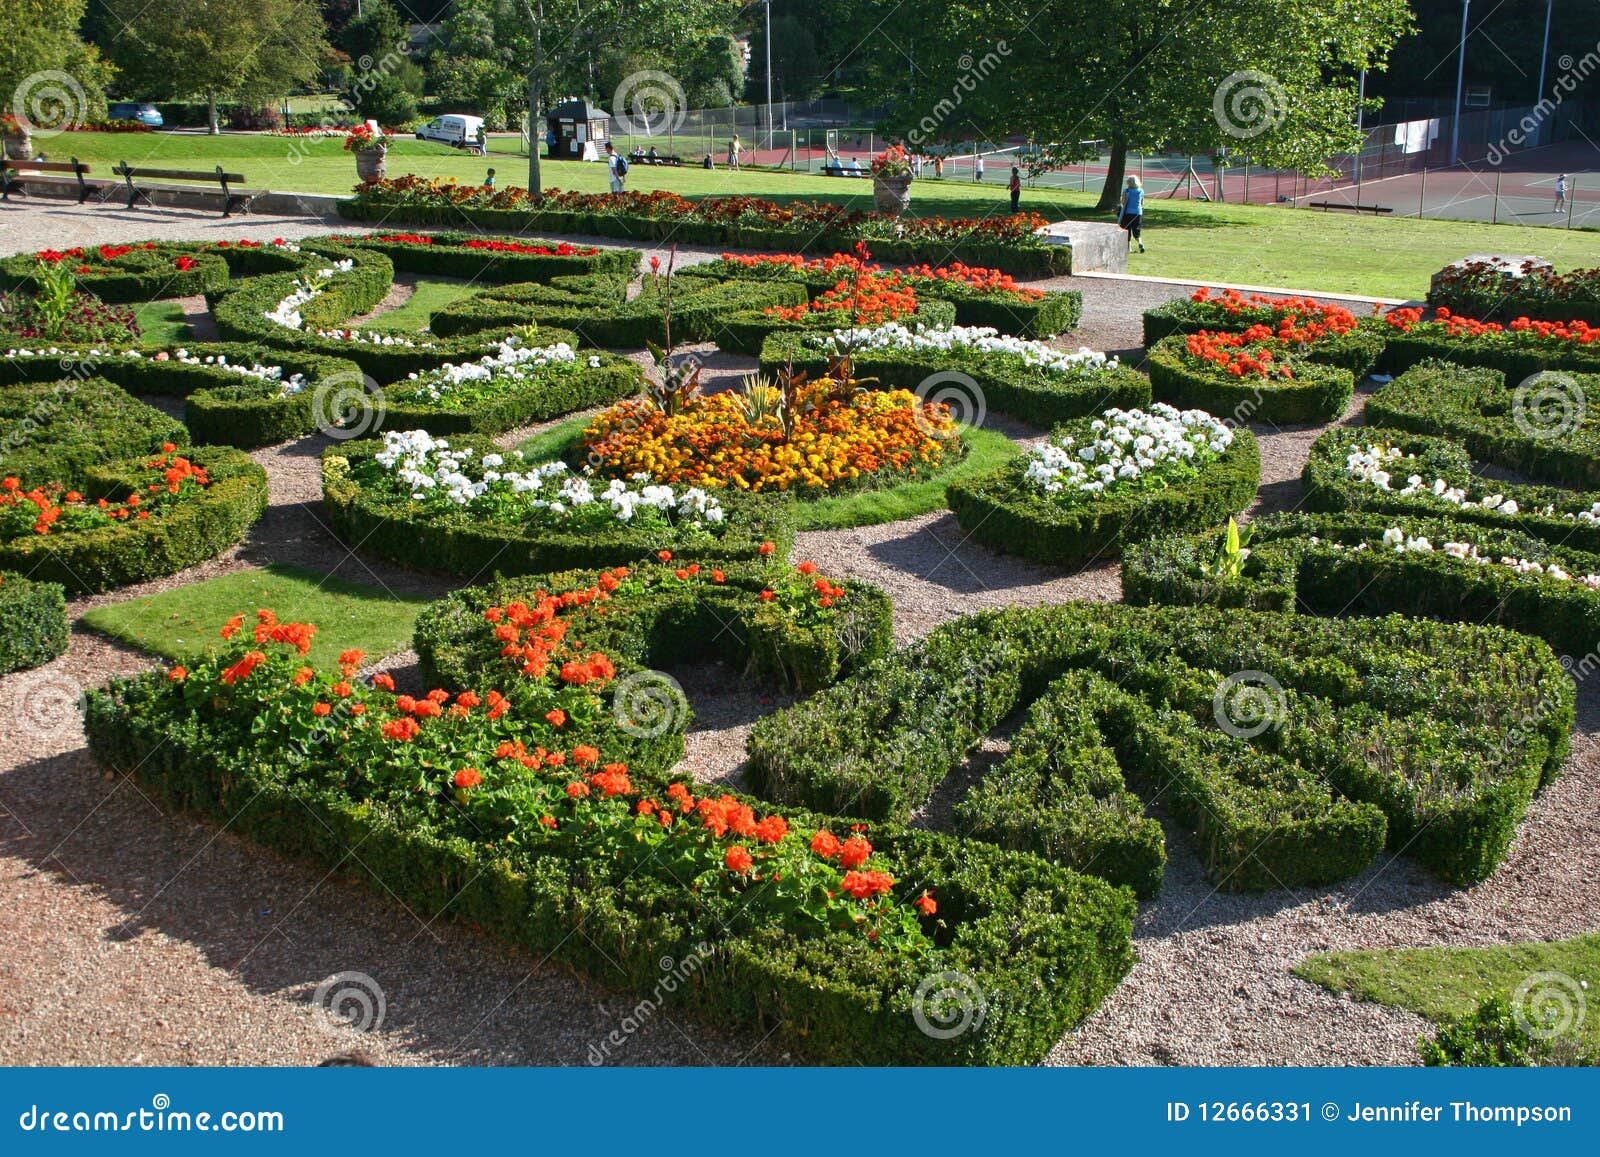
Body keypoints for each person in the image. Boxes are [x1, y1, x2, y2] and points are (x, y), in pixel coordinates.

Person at [1119, 174, 1146, 253]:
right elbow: (1142, 203)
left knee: (1127, 229)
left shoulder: (1126, 191)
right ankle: (1140, 242)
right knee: (1136, 230)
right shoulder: (1141, 191)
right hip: (1138, 213)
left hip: (1128, 213)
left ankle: (1129, 248)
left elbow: (1123, 202)